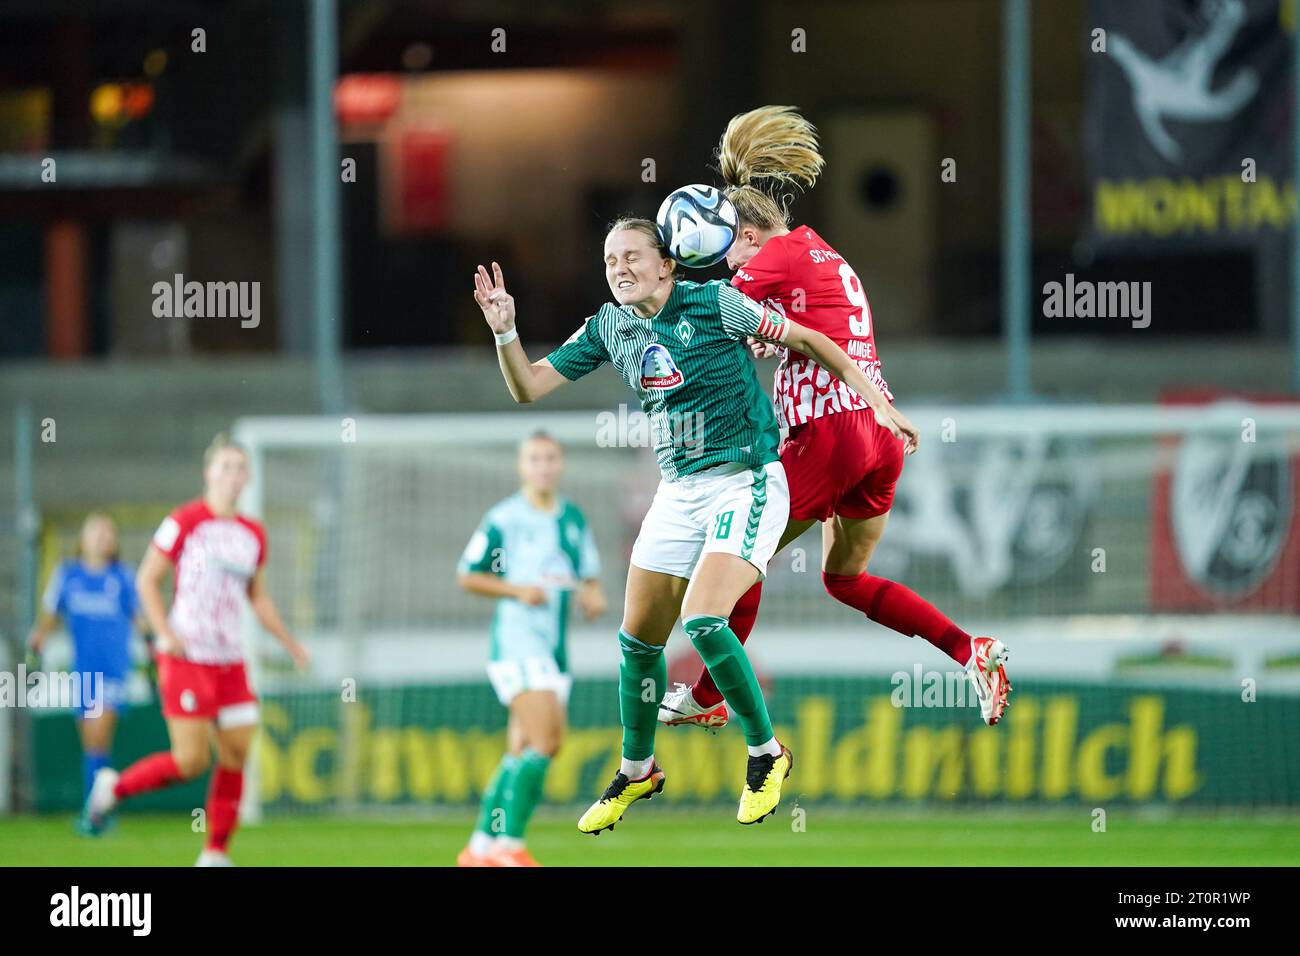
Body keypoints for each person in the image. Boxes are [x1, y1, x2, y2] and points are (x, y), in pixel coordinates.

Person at [471, 219, 915, 830]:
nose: (619, 268)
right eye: (609, 260)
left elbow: (815, 343)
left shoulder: (717, 303)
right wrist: (505, 332)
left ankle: (766, 754)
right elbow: (528, 386)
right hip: (678, 492)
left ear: (668, 265)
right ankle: (637, 768)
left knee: (703, 618)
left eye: (632, 256)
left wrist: (880, 405)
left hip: (748, 479)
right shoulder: (609, 325)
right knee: (637, 642)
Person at [658, 106, 1011, 734]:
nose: (732, 270)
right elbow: (802, 327)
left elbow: (707, 313)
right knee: (844, 578)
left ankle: (708, 691)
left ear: (748, 235)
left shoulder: (772, 260)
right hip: (877, 437)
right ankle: (969, 651)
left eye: (733, 253)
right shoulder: (821, 255)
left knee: (744, 547)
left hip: (829, 430)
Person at [80, 434, 309, 866]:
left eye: (240, 467)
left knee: (237, 752)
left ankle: (215, 852)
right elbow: (147, 579)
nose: (233, 475)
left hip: (231, 660)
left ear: (249, 477)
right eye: (225, 466)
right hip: (188, 656)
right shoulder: (184, 521)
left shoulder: (252, 533)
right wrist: (163, 633)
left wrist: (290, 643)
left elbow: (257, 596)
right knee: (190, 761)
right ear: (208, 473)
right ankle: (114, 788)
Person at [455, 431, 607, 867]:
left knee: (521, 750)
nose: (543, 466)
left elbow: (588, 576)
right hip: (518, 645)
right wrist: (517, 590)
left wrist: (592, 595)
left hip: (555, 650)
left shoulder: (573, 518)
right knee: (546, 741)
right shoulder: (504, 518)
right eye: (534, 459)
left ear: (560, 464)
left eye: (550, 458)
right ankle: (510, 846)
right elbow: (467, 574)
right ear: (522, 466)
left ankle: (480, 846)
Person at [27, 512, 143, 811]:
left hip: (113, 670)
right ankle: (98, 809)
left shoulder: (122, 577)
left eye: (109, 534)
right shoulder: (67, 575)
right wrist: (38, 638)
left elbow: (139, 618)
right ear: (83, 539)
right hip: (83, 671)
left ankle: (96, 811)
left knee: (98, 731)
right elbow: (50, 616)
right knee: (93, 744)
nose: (104, 539)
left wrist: (157, 641)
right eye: (97, 533)